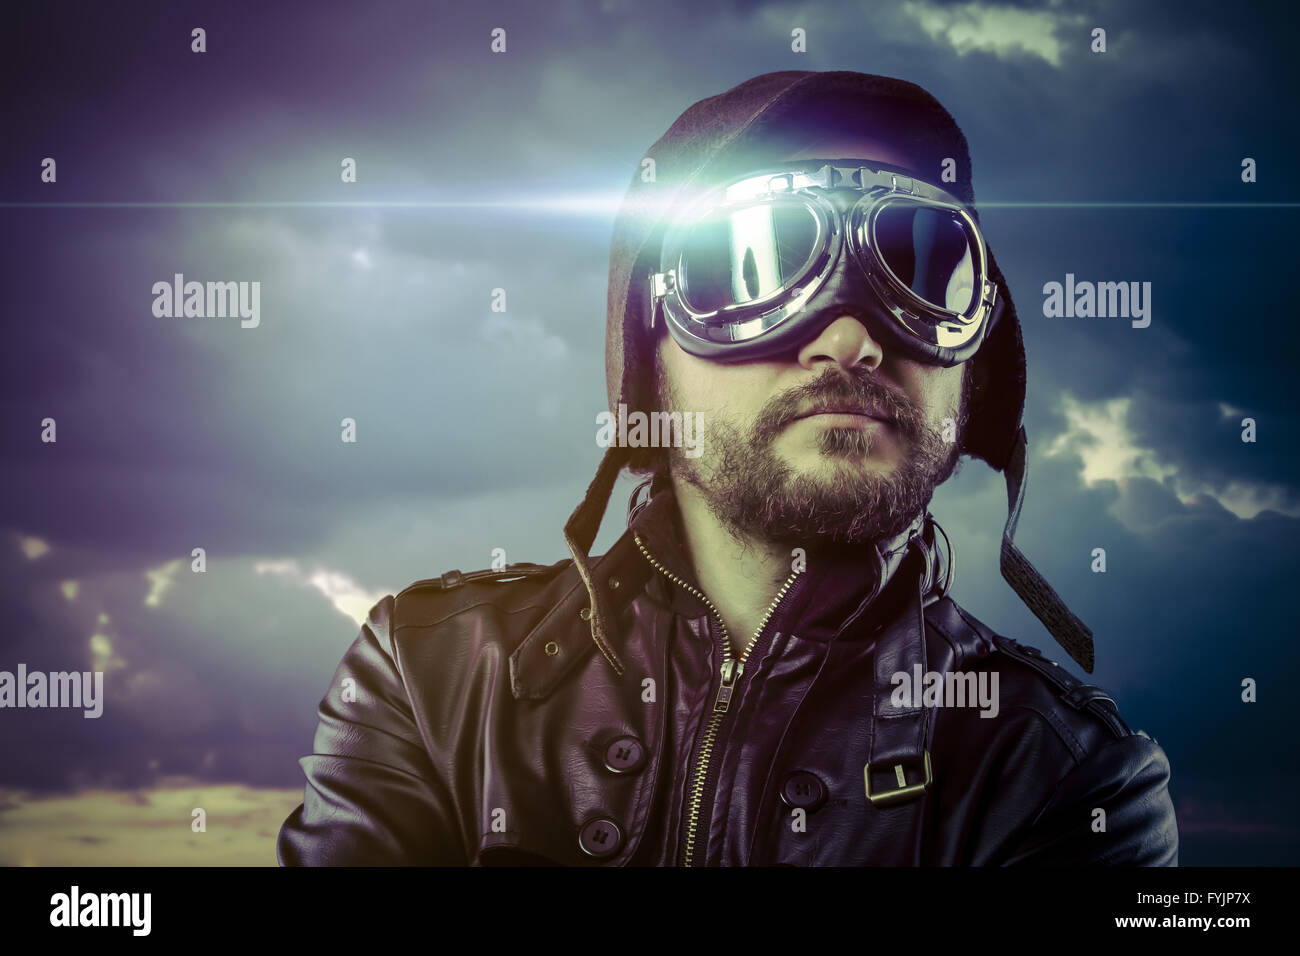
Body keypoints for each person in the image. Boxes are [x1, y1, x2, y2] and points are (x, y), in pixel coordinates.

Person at [277, 70, 1179, 866]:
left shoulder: (1069, 780)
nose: (849, 338)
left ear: (976, 360)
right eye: (756, 268)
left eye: (920, 269)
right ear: (647, 349)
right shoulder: (433, 675)